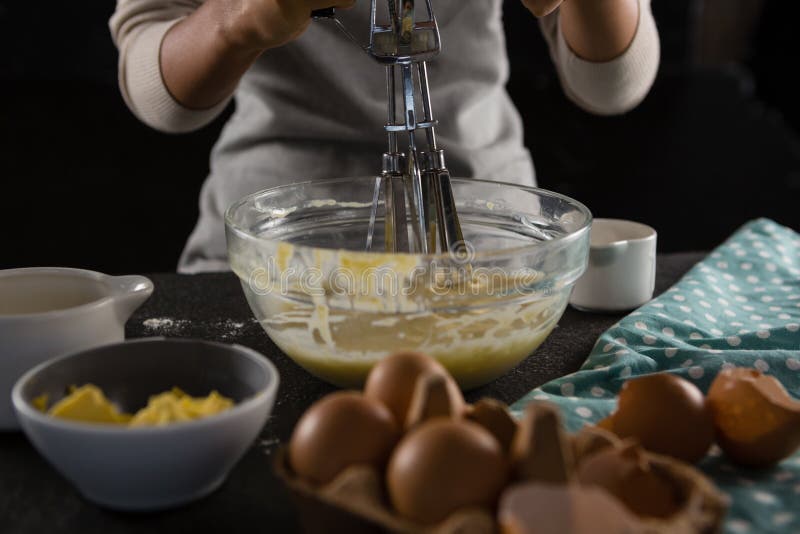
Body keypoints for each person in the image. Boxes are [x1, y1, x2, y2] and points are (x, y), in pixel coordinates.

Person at [110, 0, 660, 273]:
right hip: (267, 254)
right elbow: (159, 92)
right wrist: (241, 19)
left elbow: (612, 85)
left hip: (490, 242)